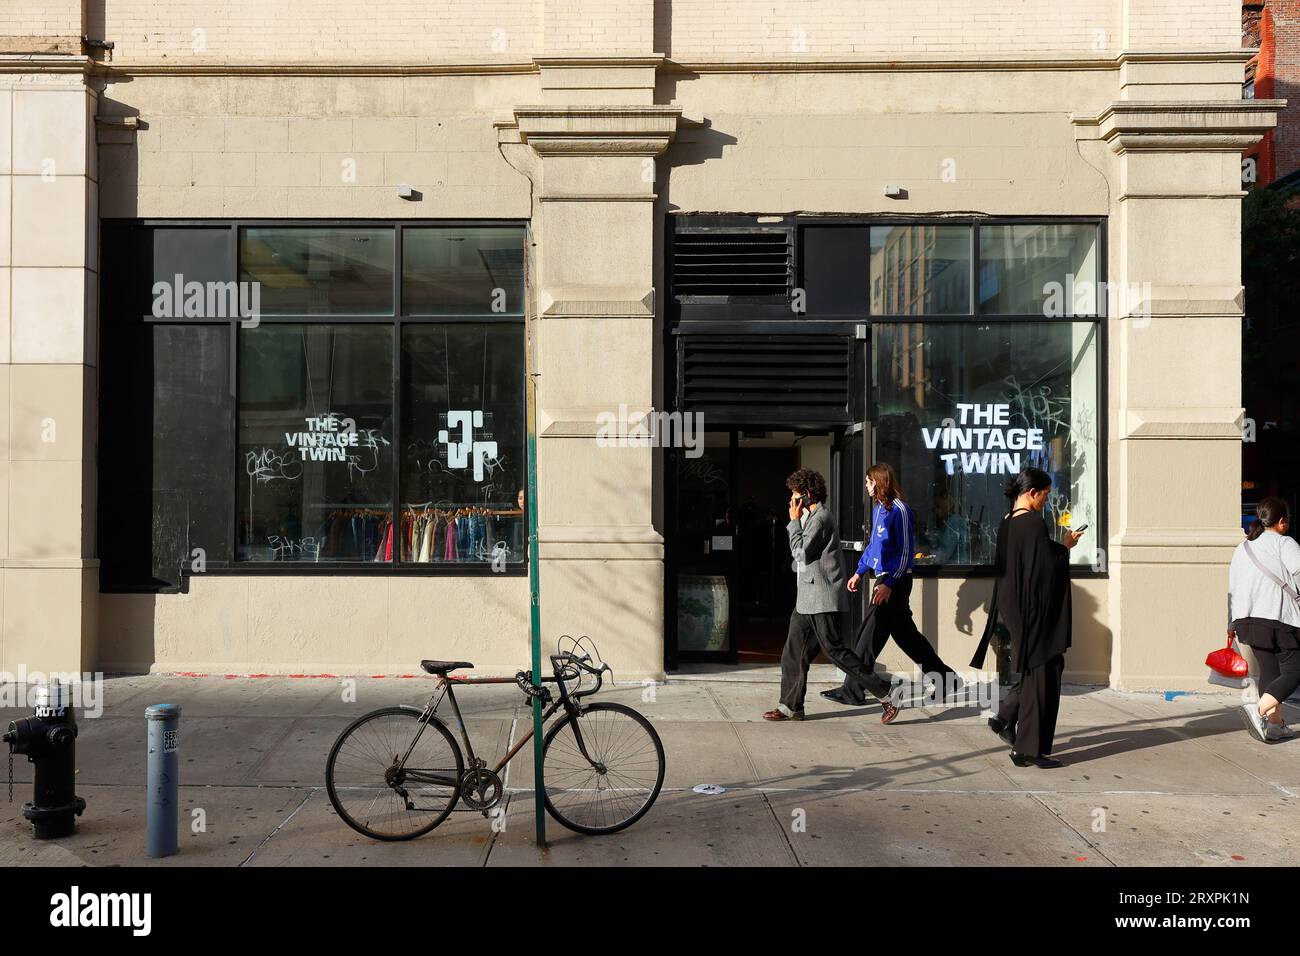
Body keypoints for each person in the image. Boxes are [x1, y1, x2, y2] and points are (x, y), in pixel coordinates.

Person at [763, 468, 899, 724]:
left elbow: (801, 553)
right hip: (807, 599)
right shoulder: (812, 516)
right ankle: (790, 706)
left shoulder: (821, 518)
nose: (791, 501)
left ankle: (886, 694)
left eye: (794, 496)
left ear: (807, 494)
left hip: (822, 598)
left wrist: (792, 521)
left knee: (836, 652)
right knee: (793, 652)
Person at [822, 462, 962, 707]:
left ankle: (853, 690)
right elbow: (875, 546)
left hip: (894, 582)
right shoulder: (879, 509)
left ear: (877, 481)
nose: (866, 486)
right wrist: (860, 571)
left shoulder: (901, 510)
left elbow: (906, 553)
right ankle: (946, 679)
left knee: (868, 638)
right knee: (907, 638)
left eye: (868, 481)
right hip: (884, 579)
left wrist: (888, 583)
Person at [971, 467, 1082, 768]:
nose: (1046, 501)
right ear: (1032, 493)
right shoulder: (1033, 523)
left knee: (1039, 671)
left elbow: (1028, 564)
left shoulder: (1008, 521)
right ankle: (1027, 749)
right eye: (1045, 496)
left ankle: (1006, 717)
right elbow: (1043, 569)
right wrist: (1066, 548)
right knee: (1042, 674)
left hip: (1015, 609)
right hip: (1032, 611)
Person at [1228, 496, 1300, 743]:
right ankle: (1257, 710)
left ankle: (1275, 725)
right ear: (1281, 522)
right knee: (1294, 672)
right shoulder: (1284, 543)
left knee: (1270, 671)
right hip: (1278, 618)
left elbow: (1233, 587)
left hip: (1246, 620)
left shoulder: (1243, 547)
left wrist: (1231, 622)